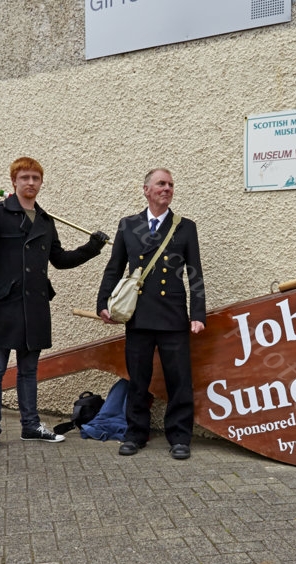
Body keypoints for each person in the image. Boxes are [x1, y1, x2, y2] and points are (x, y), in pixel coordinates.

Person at [0, 156, 107, 452]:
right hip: (3, 305)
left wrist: (92, 248)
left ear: (41, 183)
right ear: (13, 181)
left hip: (35, 307)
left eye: (35, 178)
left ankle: (30, 425)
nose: (30, 183)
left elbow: (60, 260)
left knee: (28, 370)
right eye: (24, 177)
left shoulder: (44, 220)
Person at [97, 168, 205, 460]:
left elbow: (195, 275)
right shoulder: (128, 225)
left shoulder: (184, 227)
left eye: (170, 184)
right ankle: (135, 434)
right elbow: (114, 267)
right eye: (161, 184)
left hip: (172, 316)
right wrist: (103, 303)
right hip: (139, 316)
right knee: (138, 379)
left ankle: (180, 437)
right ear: (146, 190)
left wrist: (197, 314)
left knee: (179, 380)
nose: (167, 189)